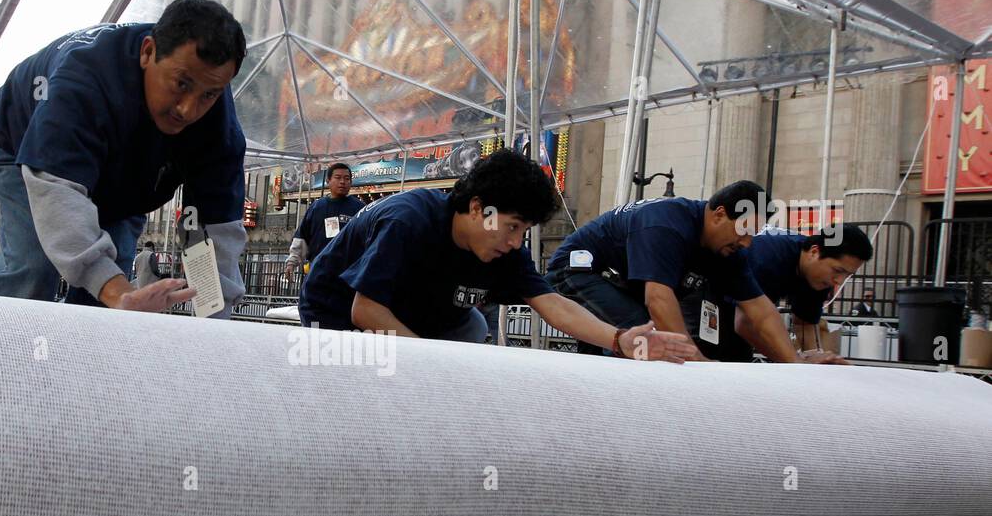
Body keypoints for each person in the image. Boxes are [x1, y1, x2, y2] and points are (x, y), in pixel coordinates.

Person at [0, 0, 248, 316]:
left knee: (108, 298)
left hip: (122, 185)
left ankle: (82, 364)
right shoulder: (82, 81)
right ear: (148, 52)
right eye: (181, 84)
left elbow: (214, 232)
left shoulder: (218, 129)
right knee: (33, 271)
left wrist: (213, 319)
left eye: (208, 94)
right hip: (20, 147)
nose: (188, 109)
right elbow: (57, 194)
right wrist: (118, 292)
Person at [297, 150, 694, 361]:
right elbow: (364, 311)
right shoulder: (408, 222)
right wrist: (428, 366)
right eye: (513, 226)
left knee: (471, 328)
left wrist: (620, 339)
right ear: (477, 208)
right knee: (376, 371)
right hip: (337, 311)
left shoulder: (503, 247)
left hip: (414, 309)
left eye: (524, 232)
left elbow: (554, 305)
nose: (515, 241)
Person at [544, 182, 839, 364]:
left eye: (754, 234)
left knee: (654, 341)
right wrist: (696, 360)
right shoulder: (666, 224)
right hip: (578, 269)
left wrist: (796, 364)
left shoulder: (730, 250)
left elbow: (761, 312)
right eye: (745, 231)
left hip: (620, 281)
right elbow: (658, 299)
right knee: (648, 336)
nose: (748, 242)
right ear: (720, 214)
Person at [717, 225, 872, 362]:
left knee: (740, 361)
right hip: (709, 300)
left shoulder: (819, 277)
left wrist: (818, 359)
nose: (839, 281)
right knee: (721, 359)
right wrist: (795, 361)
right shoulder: (769, 256)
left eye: (848, 275)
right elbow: (745, 323)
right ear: (814, 252)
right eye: (838, 271)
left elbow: (805, 323)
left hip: (739, 321)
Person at [283, 163, 364, 282]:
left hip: (349, 275)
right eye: (338, 177)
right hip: (318, 273)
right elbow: (302, 237)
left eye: (347, 179)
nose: (342, 182)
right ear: (328, 181)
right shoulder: (316, 207)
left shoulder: (360, 209)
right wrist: (291, 262)